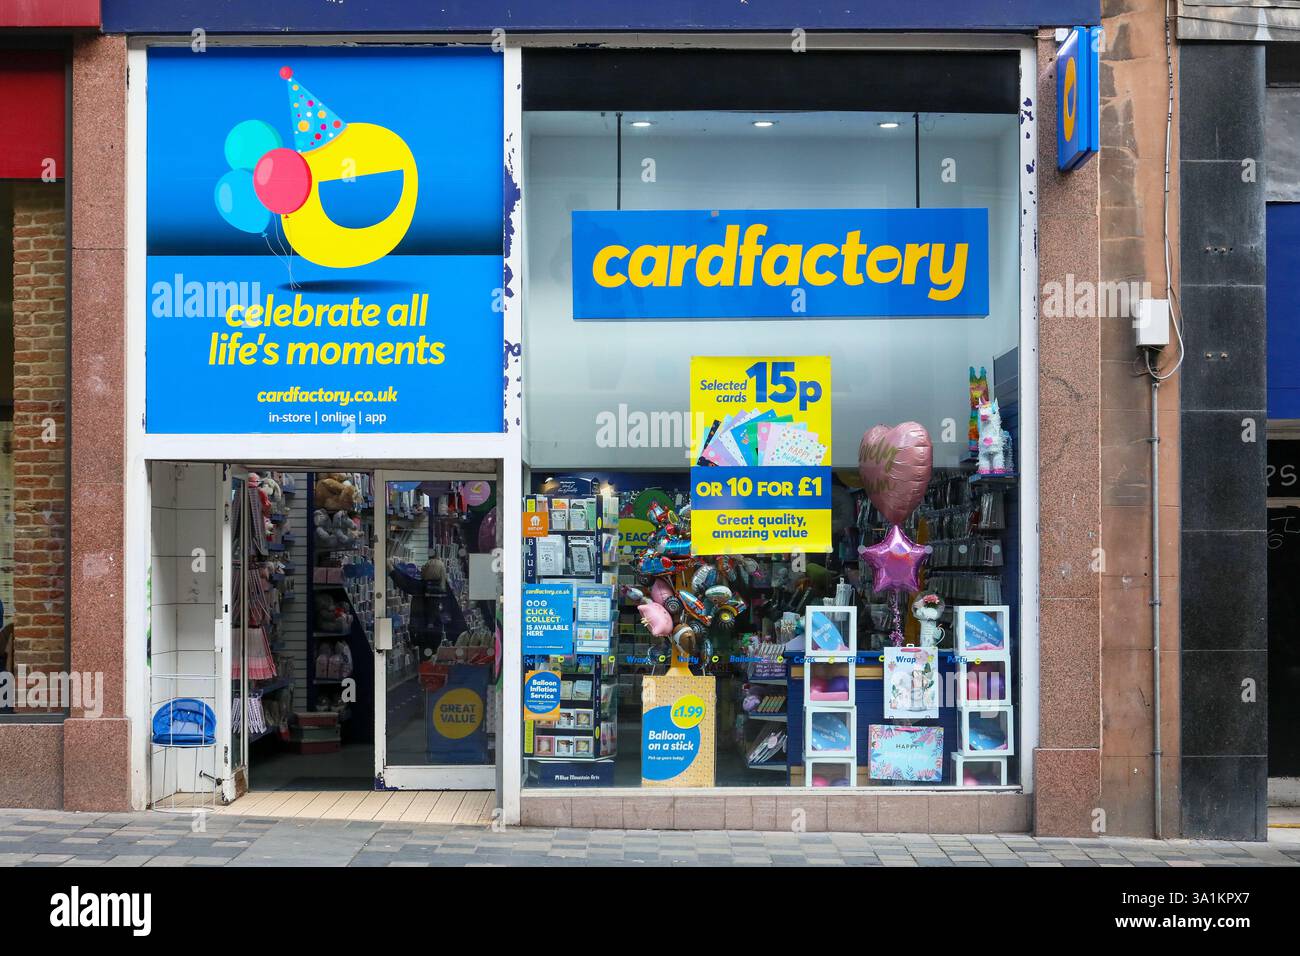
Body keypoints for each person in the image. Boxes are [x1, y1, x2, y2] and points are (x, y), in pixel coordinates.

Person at [386, 556, 467, 657]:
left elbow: (407, 584)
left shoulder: (428, 587)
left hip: (427, 636)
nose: (422, 568)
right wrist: (393, 567)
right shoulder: (442, 587)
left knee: (426, 659)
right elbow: (410, 581)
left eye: (426, 566)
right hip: (436, 633)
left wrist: (391, 569)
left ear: (431, 571)